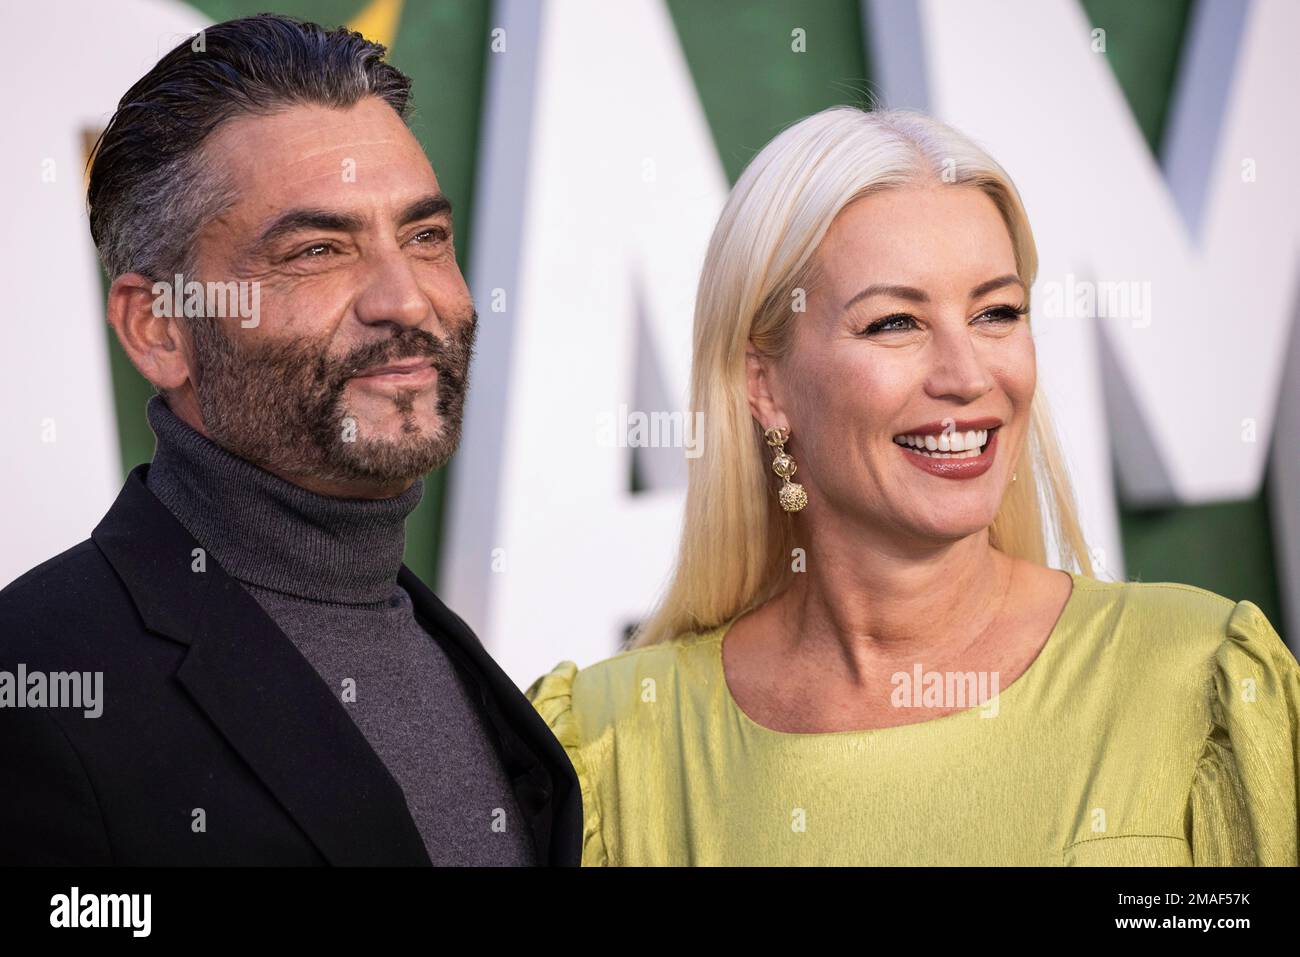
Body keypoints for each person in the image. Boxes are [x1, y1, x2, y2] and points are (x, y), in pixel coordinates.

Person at [526, 105, 1300, 866]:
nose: (967, 376)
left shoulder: (1198, 684)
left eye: (997, 312)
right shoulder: (611, 748)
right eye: (895, 323)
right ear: (764, 385)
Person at [0, 14, 579, 866]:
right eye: (317, 249)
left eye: (425, 237)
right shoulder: (38, 687)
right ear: (160, 328)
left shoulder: (446, 654)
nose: (406, 299)